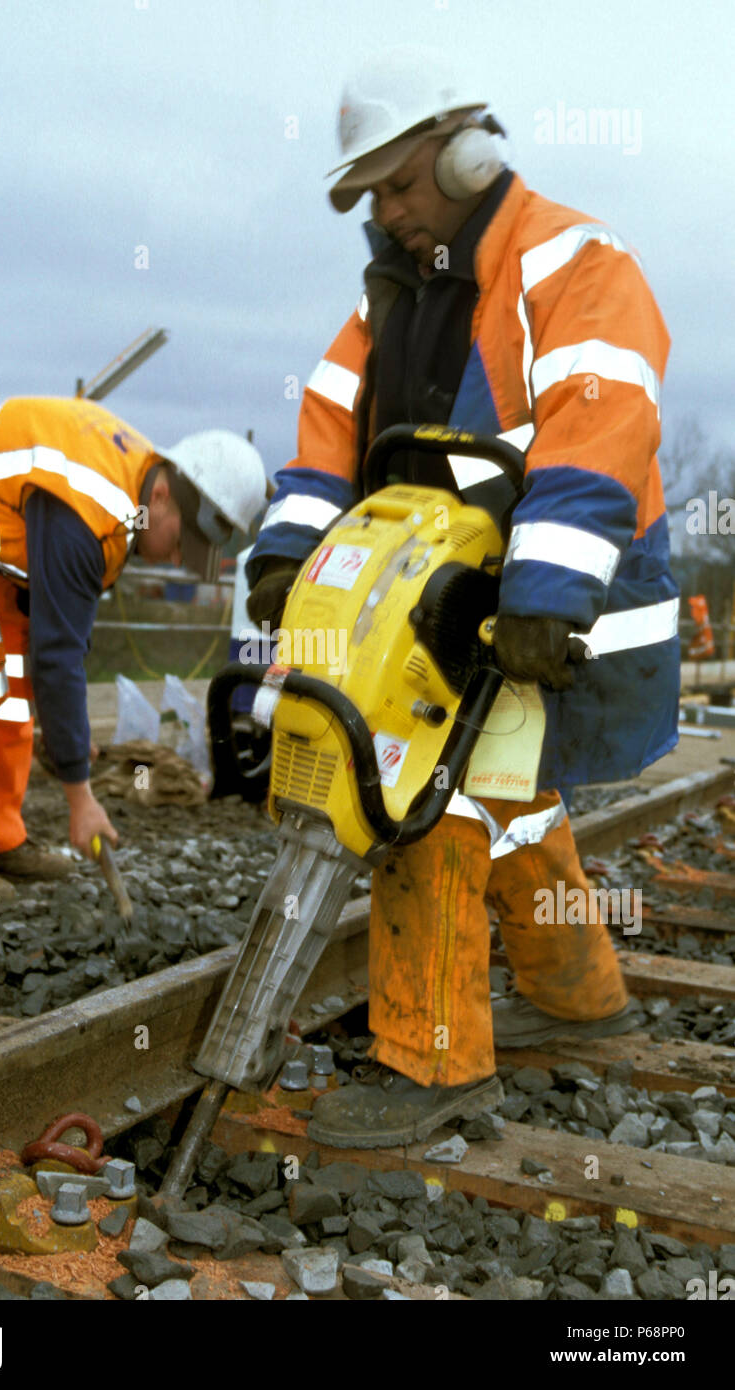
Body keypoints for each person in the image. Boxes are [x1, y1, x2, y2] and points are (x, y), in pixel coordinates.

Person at [245, 46, 679, 1148]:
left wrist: (541, 590)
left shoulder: (569, 259)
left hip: (548, 607)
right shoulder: (387, 299)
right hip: (432, 598)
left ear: (469, 149)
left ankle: (430, 1067)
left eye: (397, 183)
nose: (385, 211)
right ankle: (577, 995)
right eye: (369, 194)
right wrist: (286, 555)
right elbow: (327, 438)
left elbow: (599, 419)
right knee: (506, 793)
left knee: (420, 807)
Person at [0, 396, 265, 906]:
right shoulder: (92, 503)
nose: (180, 559)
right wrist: (80, 796)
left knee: (13, 674)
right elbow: (59, 653)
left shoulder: (123, 490)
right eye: (183, 542)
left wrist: (66, 732)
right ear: (161, 495)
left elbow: (54, 632)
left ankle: (1, 838)